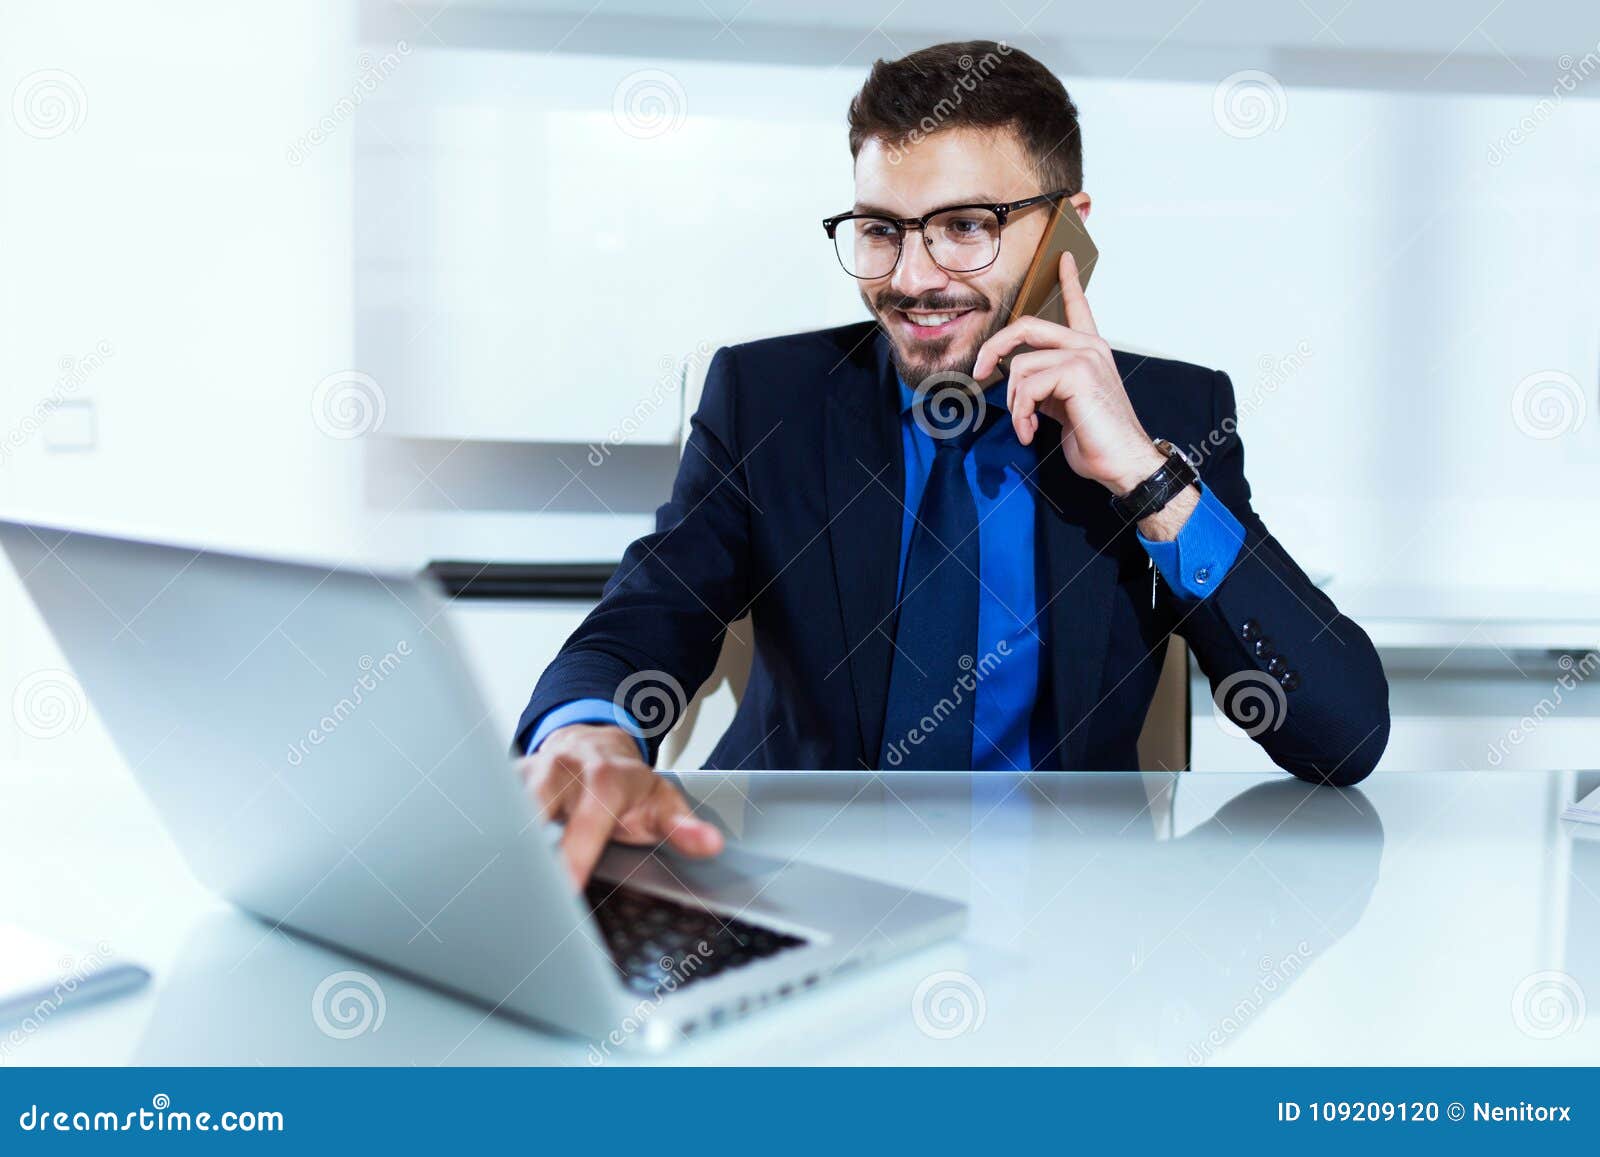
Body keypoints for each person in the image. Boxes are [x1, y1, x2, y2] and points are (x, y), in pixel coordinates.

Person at [515, 40, 1390, 886]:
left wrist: (1146, 478)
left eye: (966, 227)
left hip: (1073, 923)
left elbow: (1342, 734)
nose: (913, 278)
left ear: (1066, 232)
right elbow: (652, 613)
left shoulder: (1170, 416)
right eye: (881, 230)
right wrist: (591, 731)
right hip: (800, 890)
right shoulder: (766, 397)